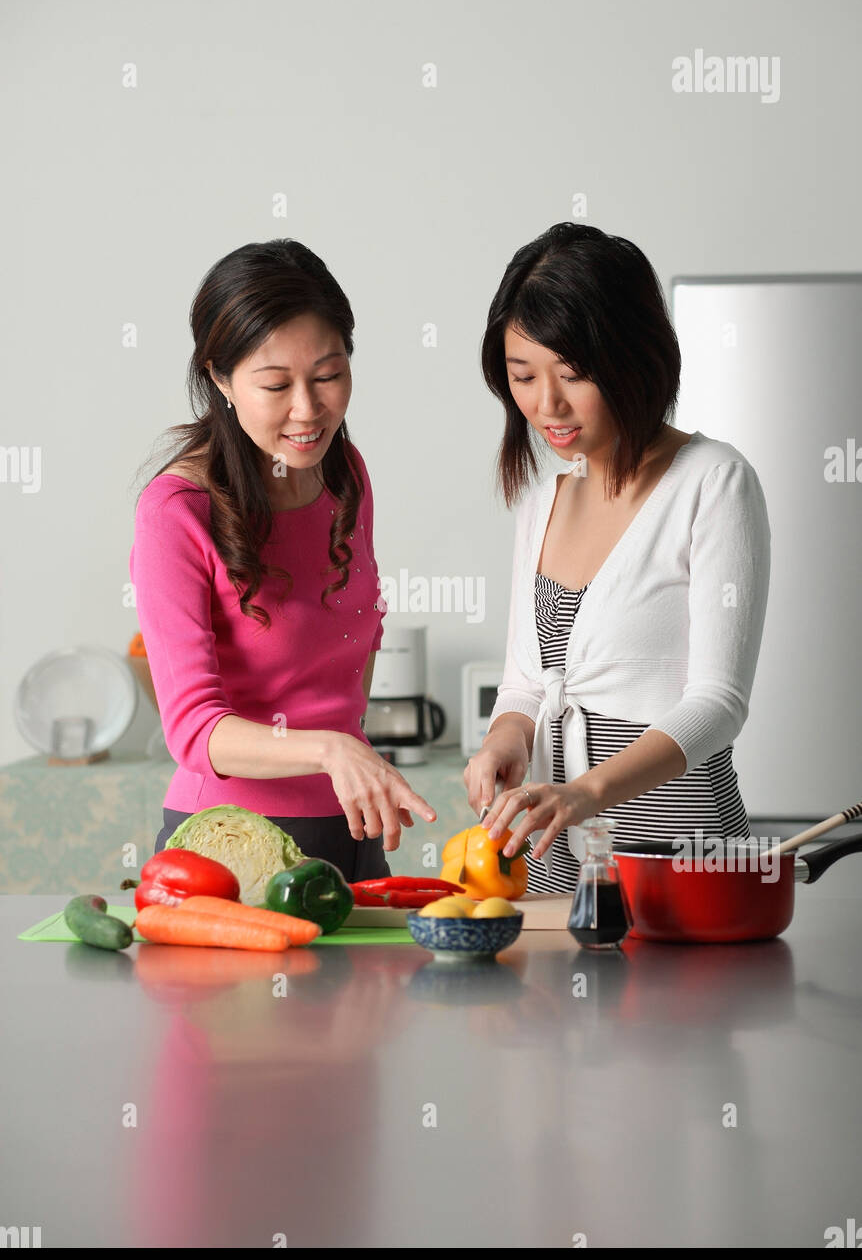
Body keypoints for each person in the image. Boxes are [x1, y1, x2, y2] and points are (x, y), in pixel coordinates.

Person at [464, 222, 771, 892]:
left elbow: (719, 702)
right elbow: (524, 685)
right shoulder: (543, 498)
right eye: (523, 376)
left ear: (633, 356)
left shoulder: (714, 480)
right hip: (547, 852)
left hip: (674, 853)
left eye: (573, 374)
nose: (547, 405)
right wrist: (504, 742)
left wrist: (587, 793)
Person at [129, 238, 436, 876]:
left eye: (328, 376)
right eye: (276, 385)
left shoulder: (344, 473)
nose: (309, 409)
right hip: (229, 841)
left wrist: (346, 759)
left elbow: (358, 643)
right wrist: (331, 751)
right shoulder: (176, 513)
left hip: (353, 821)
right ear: (221, 378)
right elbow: (194, 729)